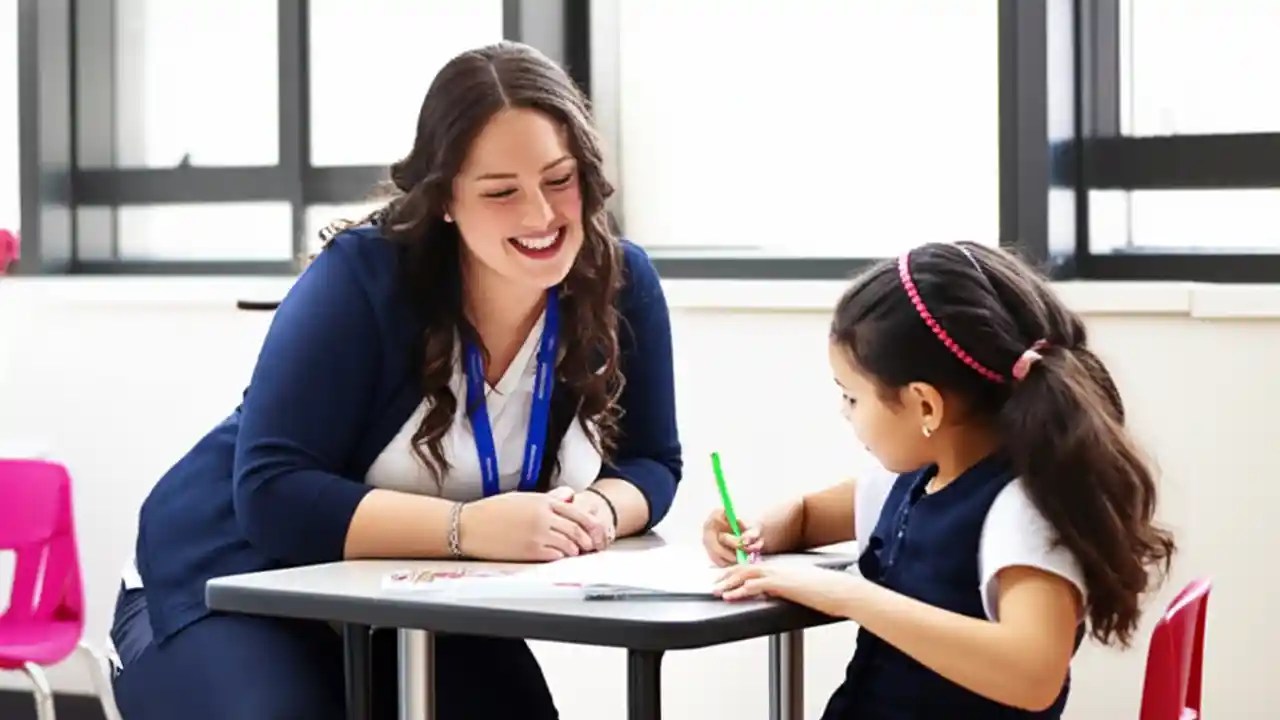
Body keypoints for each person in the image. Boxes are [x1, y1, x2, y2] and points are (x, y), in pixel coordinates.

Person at [109, 41, 682, 719]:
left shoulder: (618, 280)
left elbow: (650, 459)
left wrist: (603, 509)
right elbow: (271, 493)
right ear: (444, 200)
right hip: (226, 581)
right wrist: (466, 530)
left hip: (406, 596)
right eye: (501, 192)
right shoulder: (363, 279)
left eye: (560, 179)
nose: (542, 216)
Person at [703, 241, 1175, 719]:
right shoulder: (915, 481)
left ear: (925, 405)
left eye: (851, 398)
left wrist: (850, 596)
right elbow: (806, 516)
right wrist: (754, 530)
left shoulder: (1021, 508)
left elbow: (1034, 674)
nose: (845, 415)